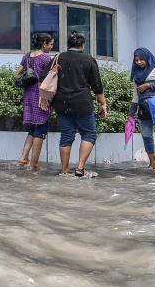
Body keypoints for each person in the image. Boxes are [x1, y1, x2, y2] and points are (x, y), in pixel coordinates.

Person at [46, 30, 108, 177]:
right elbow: (96, 85)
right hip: (82, 103)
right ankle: (80, 167)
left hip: (62, 103)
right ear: (82, 45)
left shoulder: (58, 58)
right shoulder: (88, 59)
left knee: (67, 135)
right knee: (89, 134)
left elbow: (45, 78)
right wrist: (103, 103)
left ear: (69, 44)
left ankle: (65, 169)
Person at [17, 33, 55, 170]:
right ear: (44, 44)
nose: (51, 47)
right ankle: (34, 164)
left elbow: (18, 74)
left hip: (28, 95)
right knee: (40, 129)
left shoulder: (26, 56)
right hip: (40, 96)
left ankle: (23, 158)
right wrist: (45, 98)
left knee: (32, 128)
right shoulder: (46, 58)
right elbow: (47, 79)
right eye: (50, 44)